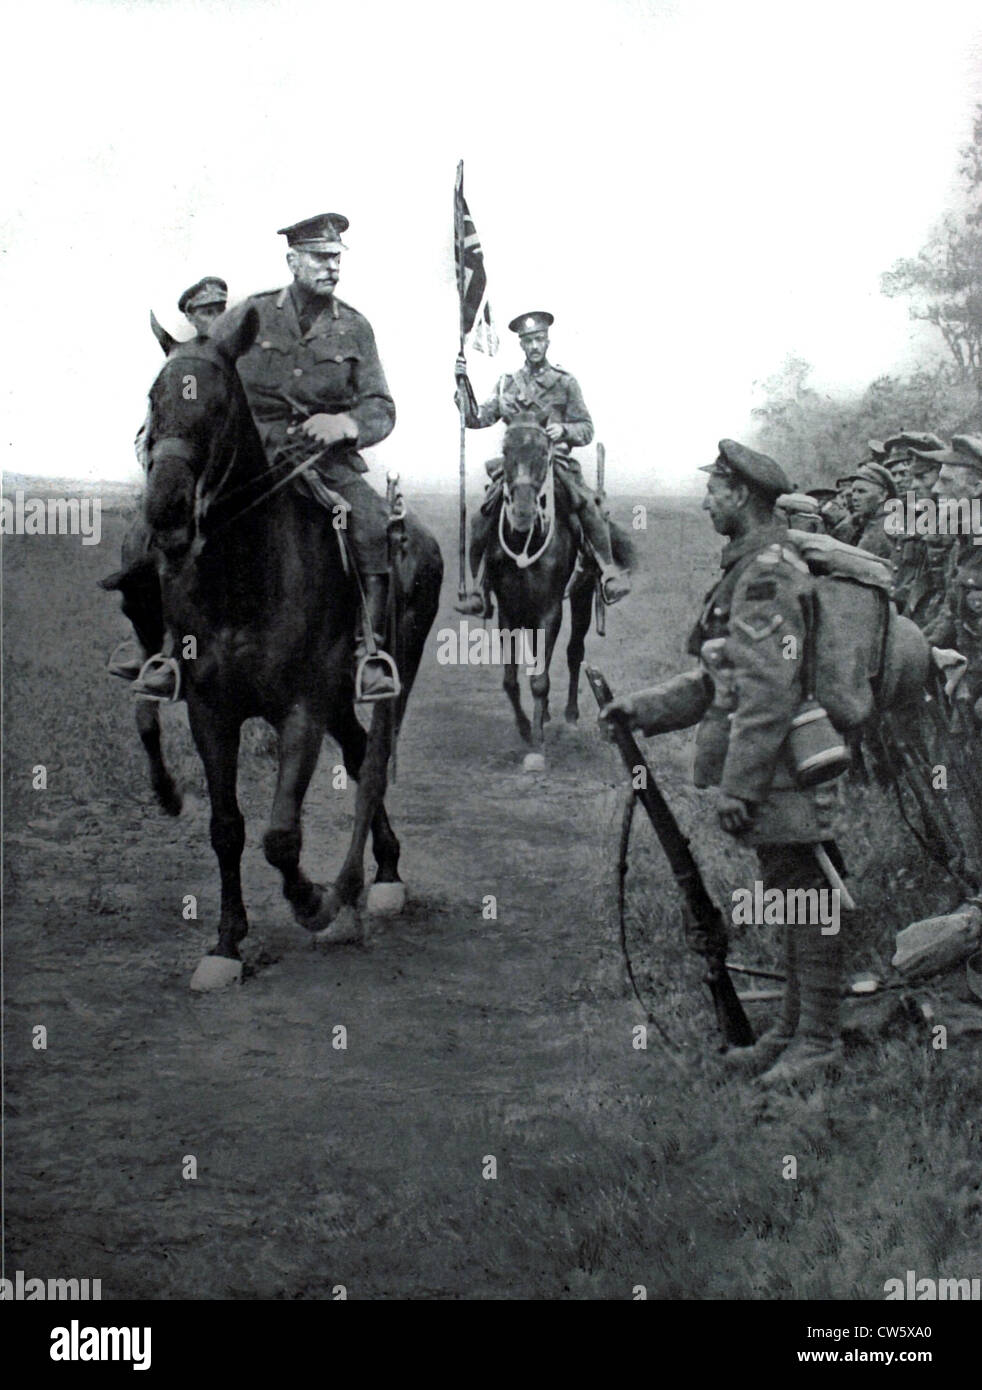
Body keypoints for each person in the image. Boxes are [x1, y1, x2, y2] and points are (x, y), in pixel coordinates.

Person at [599, 439, 849, 1087]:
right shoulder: (747, 568)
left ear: (741, 495)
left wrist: (739, 786)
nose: (707, 499)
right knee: (794, 898)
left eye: (715, 489)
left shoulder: (767, 573)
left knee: (809, 899)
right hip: (776, 769)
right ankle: (792, 1034)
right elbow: (718, 680)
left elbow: (767, 691)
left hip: (784, 769)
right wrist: (642, 710)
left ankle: (818, 1044)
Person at [133, 213, 399, 701]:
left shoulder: (356, 328)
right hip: (247, 460)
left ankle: (369, 652)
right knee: (162, 526)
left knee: (371, 522)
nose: (331, 266)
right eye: (320, 257)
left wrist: (345, 424)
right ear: (292, 260)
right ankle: (169, 651)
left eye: (336, 257)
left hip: (322, 462)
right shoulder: (248, 314)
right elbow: (208, 374)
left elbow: (381, 405)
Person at [453, 311, 630, 617]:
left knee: (587, 504)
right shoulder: (507, 384)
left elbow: (586, 428)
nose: (534, 346)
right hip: (516, 467)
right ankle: (479, 589)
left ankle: (608, 572)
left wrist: (564, 430)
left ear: (547, 341)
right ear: (521, 345)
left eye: (539, 339)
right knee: (482, 516)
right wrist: (462, 387)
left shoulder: (565, 383)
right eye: (528, 341)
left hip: (554, 461)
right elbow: (476, 418)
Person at [108, 276, 230, 681]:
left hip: (234, 478)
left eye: (219, 309)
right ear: (191, 317)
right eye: (205, 311)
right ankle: (150, 647)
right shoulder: (181, 364)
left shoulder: (239, 357)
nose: (214, 318)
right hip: (188, 481)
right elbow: (159, 430)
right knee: (139, 547)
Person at [836, 462, 897, 561]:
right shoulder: (862, 522)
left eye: (861, 491)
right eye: (853, 492)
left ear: (882, 496)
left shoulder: (883, 527)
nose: (854, 497)